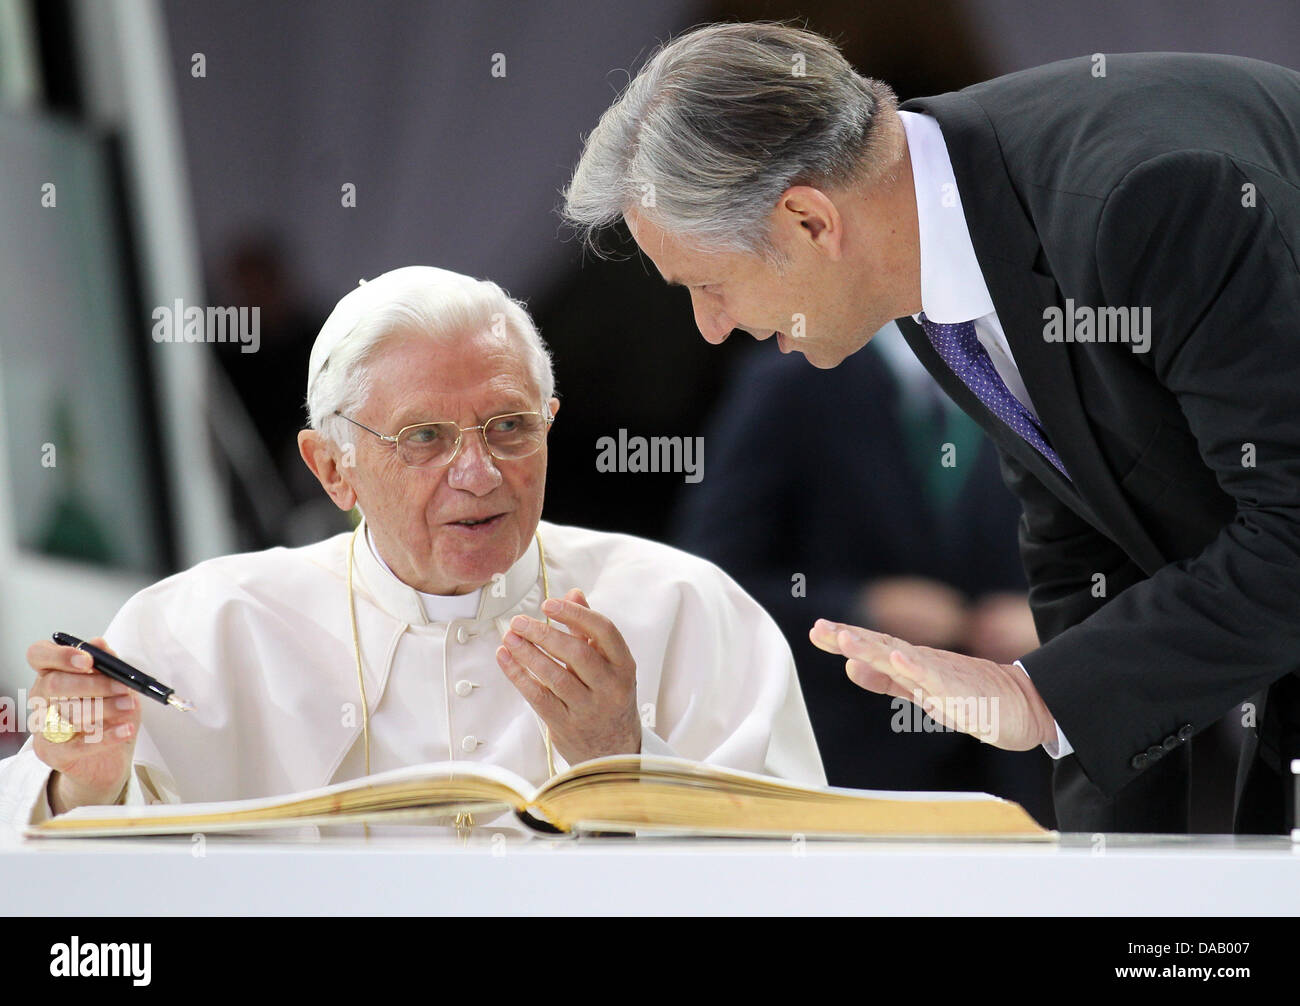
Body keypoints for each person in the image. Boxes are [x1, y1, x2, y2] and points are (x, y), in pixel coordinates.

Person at [562, 23, 1300, 833]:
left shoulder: (1145, 196)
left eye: (707, 284)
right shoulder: (920, 247)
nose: (708, 328)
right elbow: (1088, 549)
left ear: (809, 220)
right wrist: (1108, 878)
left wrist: (1037, 694)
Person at [0, 266, 824, 830]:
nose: (478, 473)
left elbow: (803, 874)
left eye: (509, 428)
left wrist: (626, 763)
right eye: (424, 437)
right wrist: (83, 783)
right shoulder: (200, 629)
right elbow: (61, 887)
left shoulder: (685, 607)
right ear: (333, 469)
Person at [671, 323, 1053, 825]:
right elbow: (714, 576)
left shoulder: (1036, 377)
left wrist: (1053, 622)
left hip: (1020, 770)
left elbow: (1115, 558)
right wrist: (859, 607)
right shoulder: (787, 385)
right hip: (852, 763)